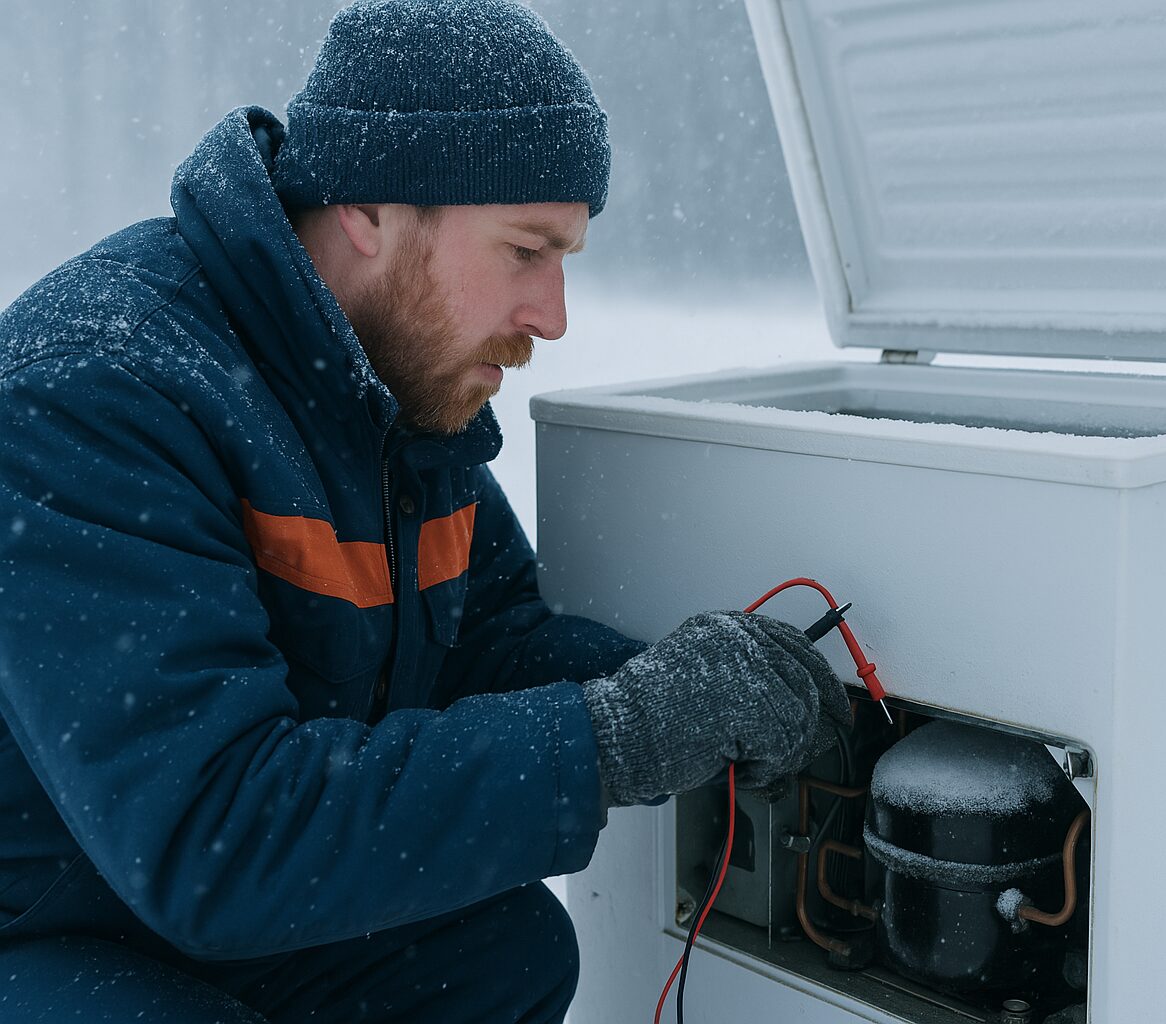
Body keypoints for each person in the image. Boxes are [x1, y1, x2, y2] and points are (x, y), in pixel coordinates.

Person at [0, 1, 850, 1020]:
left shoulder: (389, 393)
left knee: (505, 952)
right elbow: (212, 836)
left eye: (566, 260)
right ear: (368, 210)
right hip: (49, 926)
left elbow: (483, 647)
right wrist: (610, 739)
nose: (553, 316)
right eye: (525, 250)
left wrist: (678, 692)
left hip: (178, 914)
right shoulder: (98, 390)